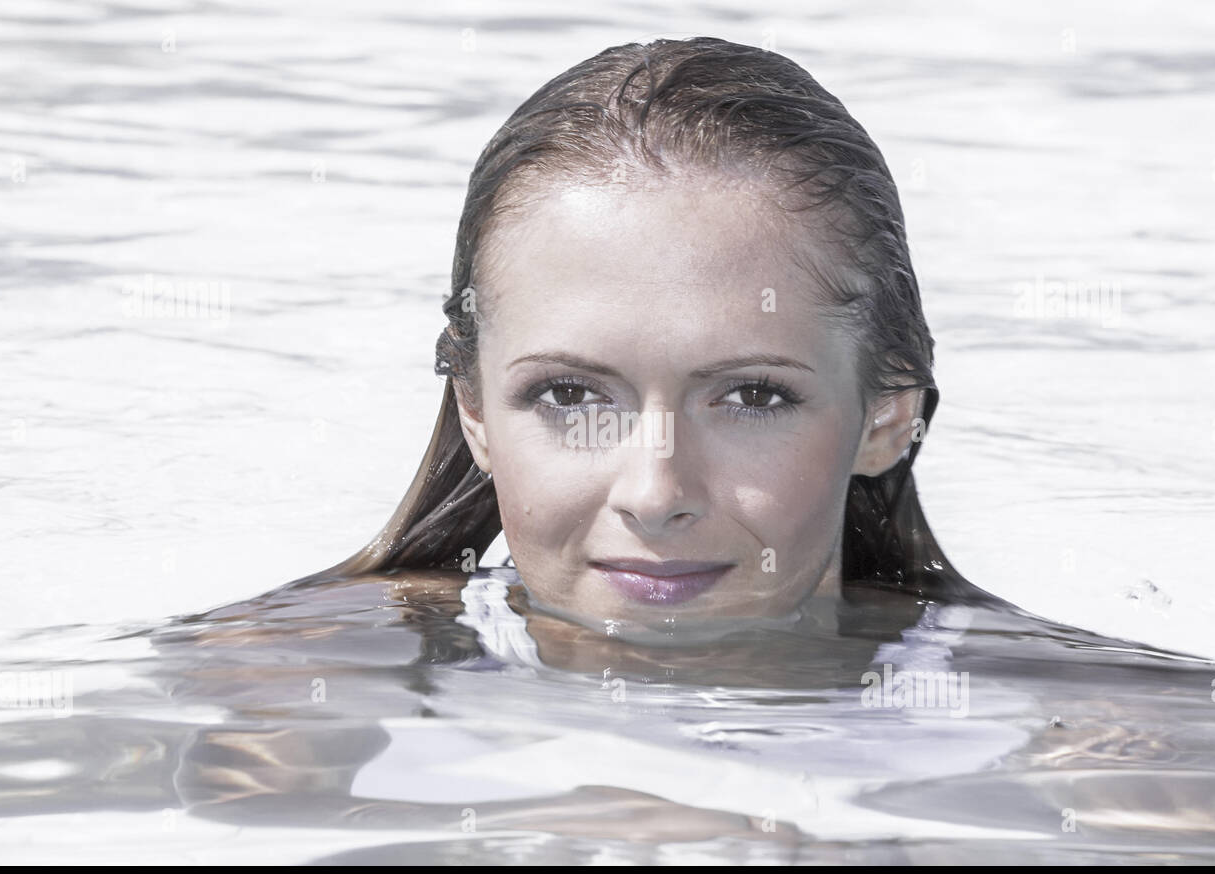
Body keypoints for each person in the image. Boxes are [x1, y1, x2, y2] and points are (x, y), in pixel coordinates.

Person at [282, 36, 1011, 634]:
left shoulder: (1083, 741)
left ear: (886, 416)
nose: (655, 494)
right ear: (475, 411)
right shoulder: (277, 704)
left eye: (753, 394)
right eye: (568, 394)